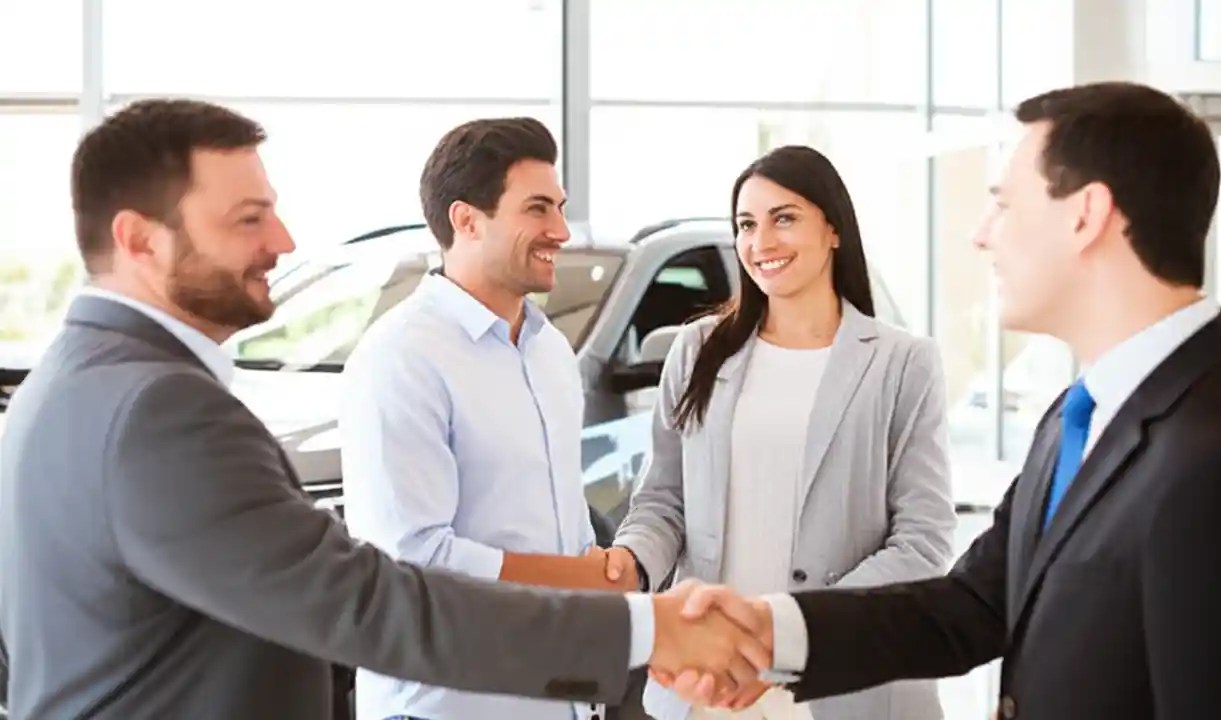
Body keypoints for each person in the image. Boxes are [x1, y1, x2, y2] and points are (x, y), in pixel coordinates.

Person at [0, 99, 770, 720]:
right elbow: (373, 600)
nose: (283, 240)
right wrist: (645, 628)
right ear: (140, 241)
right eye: (248, 218)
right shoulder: (161, 410)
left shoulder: (70, 382)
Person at [662, 81, 1221, 720]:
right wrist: (770, 630)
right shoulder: (1078, 416)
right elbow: (974, 604)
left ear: (1086, 215)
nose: (983, 235)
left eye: (1005, 204)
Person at [603, 145, 956, 720]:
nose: (760, 242)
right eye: (746, 224)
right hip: (710, 683)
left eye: (784, 218)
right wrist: (630, 559)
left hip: (842, 680)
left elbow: (923, 540)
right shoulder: (697, 351)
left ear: (833, 229)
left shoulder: (902, 363)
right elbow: (663, 501)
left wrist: (787, 633)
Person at [338, 117, 641, 720]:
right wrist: (582, 580)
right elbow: (415, 560)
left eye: (559, 208)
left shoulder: (550, 350)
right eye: (537, 209)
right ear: (467, 220)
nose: (561, 231)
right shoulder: (401, 356)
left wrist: (601, 573)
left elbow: (560, 526)